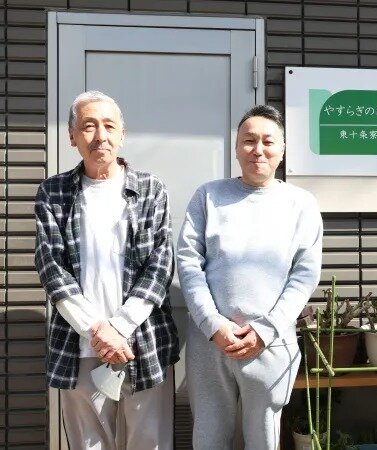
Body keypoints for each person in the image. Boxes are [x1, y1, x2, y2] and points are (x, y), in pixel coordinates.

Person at [34, 91, 179, 450]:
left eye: (109, 126)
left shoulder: (150, 189)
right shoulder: (53, 193)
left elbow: (160, 264)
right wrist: (99, 332)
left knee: (149, 443)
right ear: (72, 137)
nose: (100, 135)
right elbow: (52, 268)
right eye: (89, 126)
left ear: (122, 135)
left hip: (144, 344)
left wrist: (120, 328)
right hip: (80, 347)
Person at [177, 105, 323, 449]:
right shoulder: (208, 196)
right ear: (236, 147)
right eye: (249, 140)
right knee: (208, 437)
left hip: (271, 344)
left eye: (268, 142)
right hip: (210, 343)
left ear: (282, 149)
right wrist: (213, 324)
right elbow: (188, 263)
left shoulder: (301, 204)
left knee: (265, 438)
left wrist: (265, 330)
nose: (258, 149)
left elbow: (304, 275)